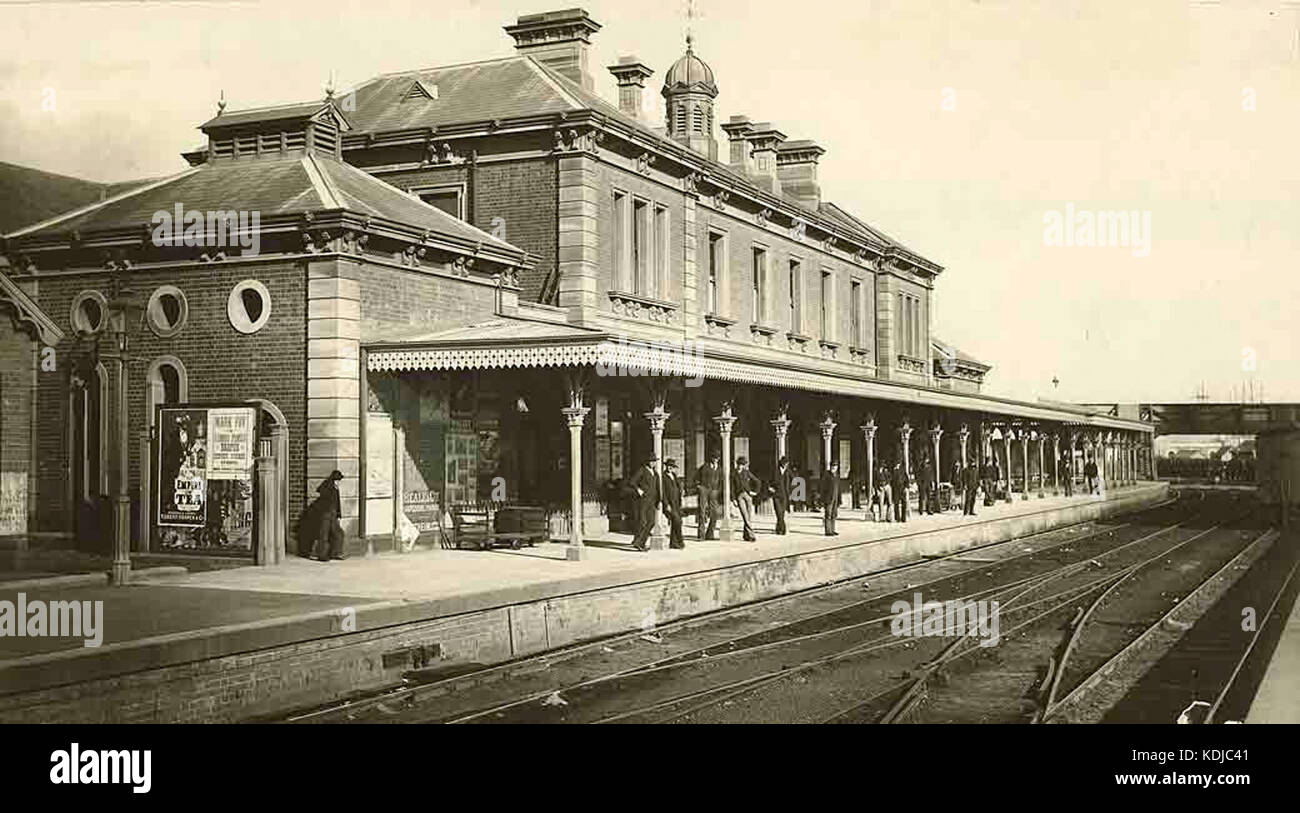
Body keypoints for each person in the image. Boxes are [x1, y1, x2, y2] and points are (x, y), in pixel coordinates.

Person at [306, 470, 346, 561]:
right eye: (337, 480)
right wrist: (331, 486)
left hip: (333, 514)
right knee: (323, 534)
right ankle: (321, 555)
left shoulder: (335, 488)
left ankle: (336, 553)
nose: (338, 483)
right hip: (325, 514)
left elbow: (337, 503)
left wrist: (339, 515)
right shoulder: (328, 486)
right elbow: (321, 492)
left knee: (339, 533)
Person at [629, 455, 660, 552]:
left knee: (651, 522)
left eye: (654, 461)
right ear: (648, 462)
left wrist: (658, 501)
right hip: (643, 500)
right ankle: (639, 543)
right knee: (642, 521)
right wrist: (639, 490)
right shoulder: (642, 470)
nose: (653, 463)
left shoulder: (655, 473)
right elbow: (632, 482)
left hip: (652, 501)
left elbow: (657, 488)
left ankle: (638, 541)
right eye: (651, 461)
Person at [732, 456, 760, 542]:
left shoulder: (746, 472)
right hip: (739, 496)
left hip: (747, 495)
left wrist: (755, 492)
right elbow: (732, 487)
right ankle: (752, 535)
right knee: (745, 516)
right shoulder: (733, 474)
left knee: (748, 516)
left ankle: (746, 535)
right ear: (737, 464)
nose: (741, 466)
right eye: (740, 464)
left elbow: (757, 481)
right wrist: (733, 499)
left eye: (743, 465)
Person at [696, 452, 721, 540]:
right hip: (704, 489)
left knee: (715, 513)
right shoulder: (705, 467)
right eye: (714, 458)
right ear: (711, 458)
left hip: (714, 491)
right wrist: (699, 486)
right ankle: (701, 534)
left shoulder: (719, 469)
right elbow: (697, 477)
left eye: (717, 458)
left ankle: (710, 533)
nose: (715, 460)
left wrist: (717, 490)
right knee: (702, 511)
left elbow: (721, 480)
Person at [662, 458, 685, 549]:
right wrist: (666, 504)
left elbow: (678, 486)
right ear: (666, 466)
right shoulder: (663, 476)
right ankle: (680, 541)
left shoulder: (674, 475)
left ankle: (673, 543)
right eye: (669, 466)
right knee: (677, 521)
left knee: (675, 522)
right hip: (670, 503)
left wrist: (681, 492)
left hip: (676, 503)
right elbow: (663, 491)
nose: (670, 468)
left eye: (672, 466)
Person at [773, 456, 792, 535]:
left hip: (785, 495)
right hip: (776, 495)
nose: (785, 465)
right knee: (778, 512)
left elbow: (794, 480)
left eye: (787, 464)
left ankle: (779, 529)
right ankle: (783, 529)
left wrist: (790, 490)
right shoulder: (775, 471)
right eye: (784, 463)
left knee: (782, 513)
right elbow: (769, 481)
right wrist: (770, 488)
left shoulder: (788, 472)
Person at [820, 461, 841, 535]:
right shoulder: (826, 475)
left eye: (835, 466)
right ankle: (828, 531)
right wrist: (822, 499)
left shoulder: (837, 476)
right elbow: (822, 487)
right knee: (828, 514)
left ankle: (832, 529)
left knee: (834, 514)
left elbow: (839, 488)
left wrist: (839, 499)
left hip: (835, 498)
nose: (834, 467)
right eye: (833, 466)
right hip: (828, 498)